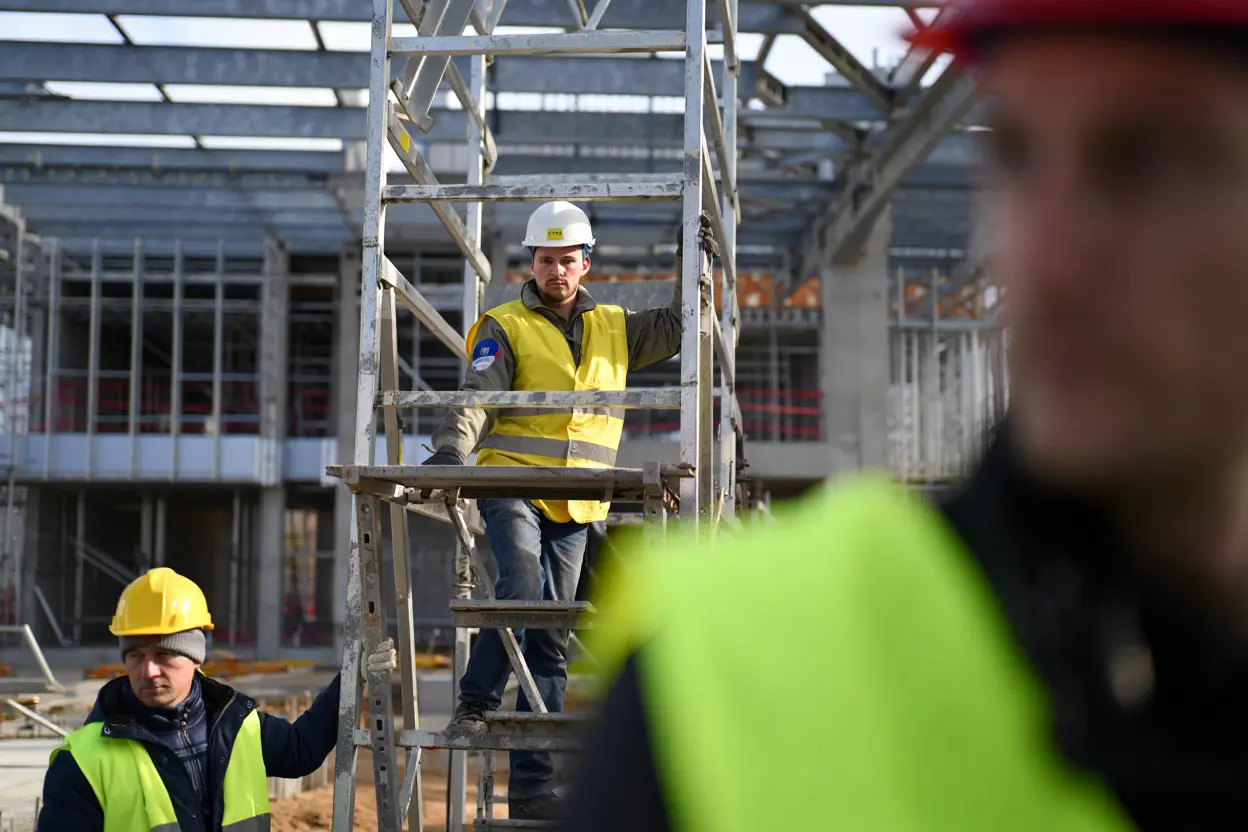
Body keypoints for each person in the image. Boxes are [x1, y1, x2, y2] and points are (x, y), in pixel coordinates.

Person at [563, 2, 1248, 829]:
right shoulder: (732, 668)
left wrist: (695, 286)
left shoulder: (609, 325)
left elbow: (665, 331)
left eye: (1142, 162)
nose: (1046, 258)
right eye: (1016, 155)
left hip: (578, 497)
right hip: (532, 494)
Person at [424, 200, 717, 820]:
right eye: (545, 259)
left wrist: (691, 261)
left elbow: (677, 326)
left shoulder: (615, 325)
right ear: (530, 262)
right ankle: (476, 701)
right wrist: (451, 447)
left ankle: (531, 788)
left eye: (566, 260)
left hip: (579, 499)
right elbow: (478, 394)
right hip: (512, 483)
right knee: (523, 587)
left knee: (551, 635)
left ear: (586, 263)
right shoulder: (503, 324)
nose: (556, 270)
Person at [38, 567, 396, 832]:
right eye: (135, 656)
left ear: (196, 657)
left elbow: (301, 750)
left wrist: (353, 676)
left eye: (163, 655)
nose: (148, 670)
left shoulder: (236, 724)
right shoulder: (83, 762)